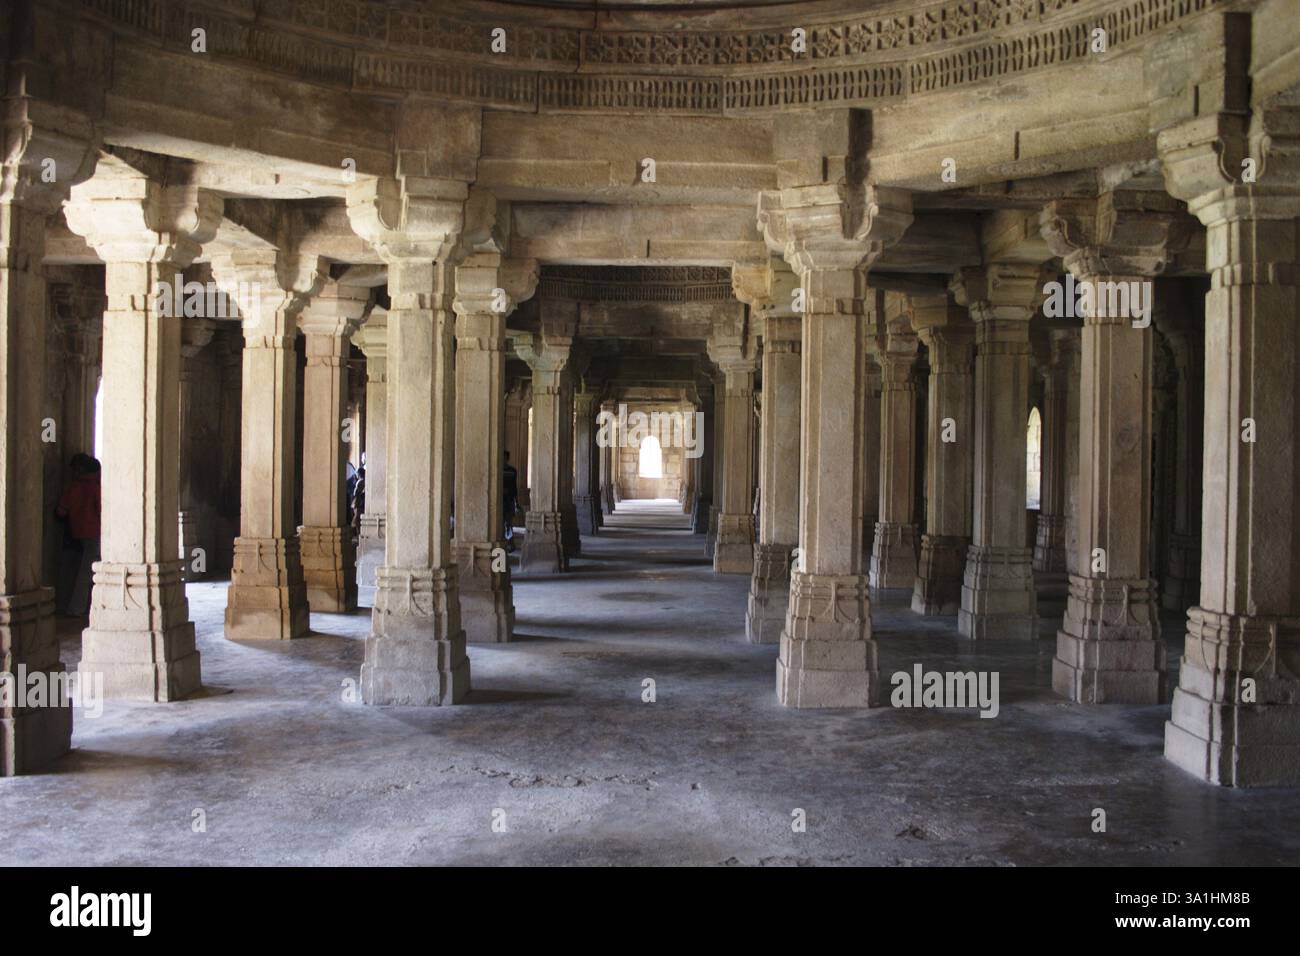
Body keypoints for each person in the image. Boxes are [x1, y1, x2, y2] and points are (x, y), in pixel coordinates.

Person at [55, 453, 101, 619]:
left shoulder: (73, 487)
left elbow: (61, 511)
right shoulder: (96, 487)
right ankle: (77, 608)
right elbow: (102, 511)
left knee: (71, 570)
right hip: (94, 534)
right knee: (86, 573)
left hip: (75, 534)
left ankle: (65, 605)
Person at [503, 451, 519, 551]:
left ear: (507, 459)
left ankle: (510, 543)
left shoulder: (512, 471)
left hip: (509, 500)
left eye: (504, 457)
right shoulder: (496, 470)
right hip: (499, 501)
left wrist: (516, 501)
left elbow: (514, 487)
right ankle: (504, 543)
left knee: (508, 523)